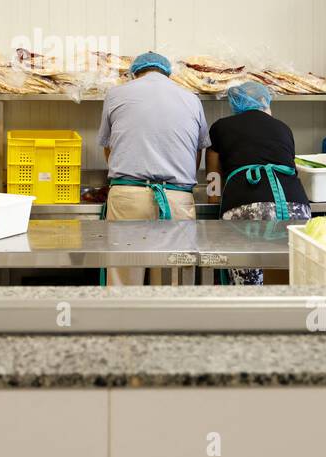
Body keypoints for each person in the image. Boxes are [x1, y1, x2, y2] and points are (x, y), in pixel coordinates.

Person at [97, 51, 209, 286]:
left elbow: (109, 148)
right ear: (168, 73)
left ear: (134, 73)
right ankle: (169, 322)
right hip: (177, 197)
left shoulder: (116, 94)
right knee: (174, 279)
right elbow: (196, 153)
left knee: (123, 277)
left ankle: (121, 322)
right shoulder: (191, 98)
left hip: (128, 196)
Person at [205, 81, 311, 285]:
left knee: (248, 286)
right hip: (295, 206)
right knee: (294, 278)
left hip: (246, 206)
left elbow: (213, 172)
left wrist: (213, 197)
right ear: (265, 102)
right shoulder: (283, 128)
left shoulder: (222, 126)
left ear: (236, 105)